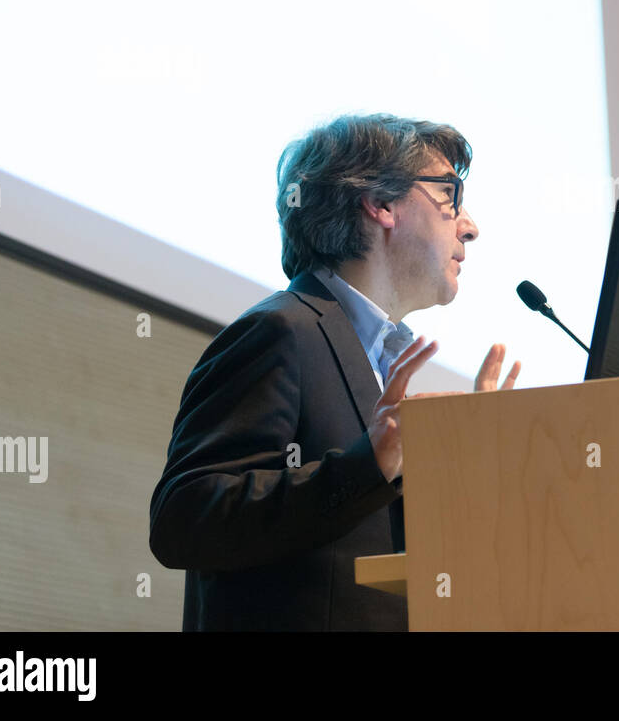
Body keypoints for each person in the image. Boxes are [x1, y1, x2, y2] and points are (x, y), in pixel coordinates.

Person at [148, 113, 520, 630]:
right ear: (381, 204)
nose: (470, 225)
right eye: (448, 194)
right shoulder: (281, 330)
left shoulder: (383, 363)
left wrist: (473, 474)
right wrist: (365, 466)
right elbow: (183, 520)